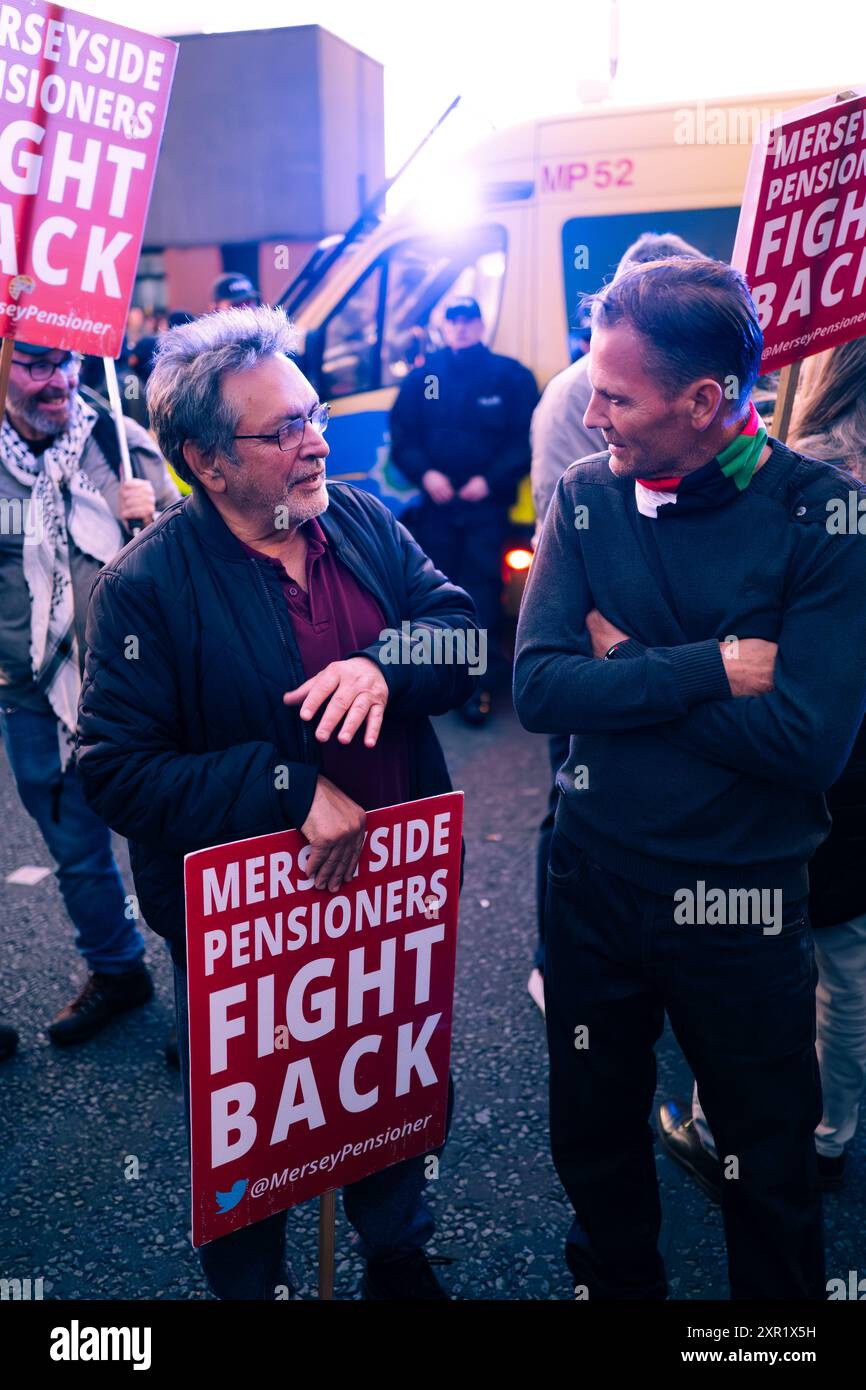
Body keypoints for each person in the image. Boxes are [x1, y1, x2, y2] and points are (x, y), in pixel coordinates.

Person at [76, 305, 478, 1301]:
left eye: (315, 413)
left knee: (388, 1084)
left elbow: (461, 632)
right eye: (283, 429)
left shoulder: (359, 517)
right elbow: (114, 769)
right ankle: (251, 1287)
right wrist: (285, 784)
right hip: (251, 929)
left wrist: (389, 665)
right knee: (256, 1123)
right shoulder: (145, 588)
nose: (315, 442)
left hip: (390, 891)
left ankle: (398, 1252)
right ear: (207, 464)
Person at [513, 258, 866, 1301]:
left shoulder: (822, 515)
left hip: (743, 897)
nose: (593, 412)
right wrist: (707, 666)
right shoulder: (582, 494)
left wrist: (617, 664)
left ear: (704, 400)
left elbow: (806, 743)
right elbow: (537, 685)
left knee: (765, 1165)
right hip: (589, 884)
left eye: (615, 397)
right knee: (593, 1134)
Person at [657, 335, 866, 1196]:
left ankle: (722, 1127)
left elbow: (741, 629)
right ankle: (829, 1132)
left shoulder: (805, 474)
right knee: (848, 953)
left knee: (755, 947)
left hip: (796, 744)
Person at [527, 232, 707, 1015]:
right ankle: (554, 958)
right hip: (588, 634)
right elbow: (556, 520)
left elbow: (800, 736)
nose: (603, 413)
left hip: (631, 643)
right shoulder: (574, 401)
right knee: (571, 799)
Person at [0, 342, 180, 1046]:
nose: (60, 381)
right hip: (31, 692)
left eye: (68, 363)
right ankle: (118, 972)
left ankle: (205, 1013)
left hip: (135, 687)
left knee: (168, 847)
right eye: (37, 366)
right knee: (76, 849)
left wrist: (155, 515)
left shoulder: (122, 443)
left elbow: (195, 553)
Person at [390, 296, 538, 724]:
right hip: (435, 509)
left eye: (467, 320)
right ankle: (439, 681)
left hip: (485, 509)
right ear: (444, 326)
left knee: (480, 593)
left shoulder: (509, 377)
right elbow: (404, 437)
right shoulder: (423, 378)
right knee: (435, 595)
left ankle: (477, 687)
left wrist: (488, 481)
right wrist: (427, 475)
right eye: (453, 321)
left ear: (480, 324)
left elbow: (525, 439)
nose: (460, 328)